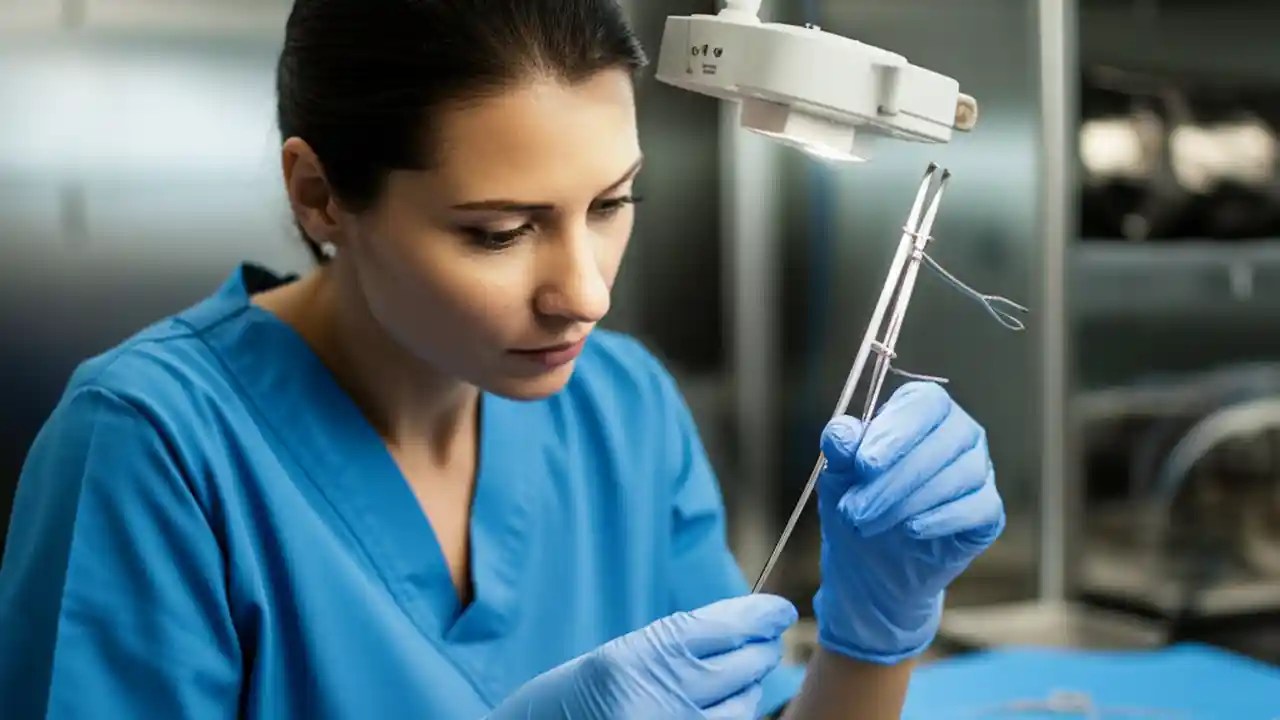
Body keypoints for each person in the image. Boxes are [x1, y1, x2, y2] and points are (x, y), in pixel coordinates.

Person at [0, 1, 1005, 718]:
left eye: (612, 205)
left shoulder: (624, 412)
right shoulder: (153, 451)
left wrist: (874, 637)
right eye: (497, 230)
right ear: (317, 194)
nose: (586, 293)